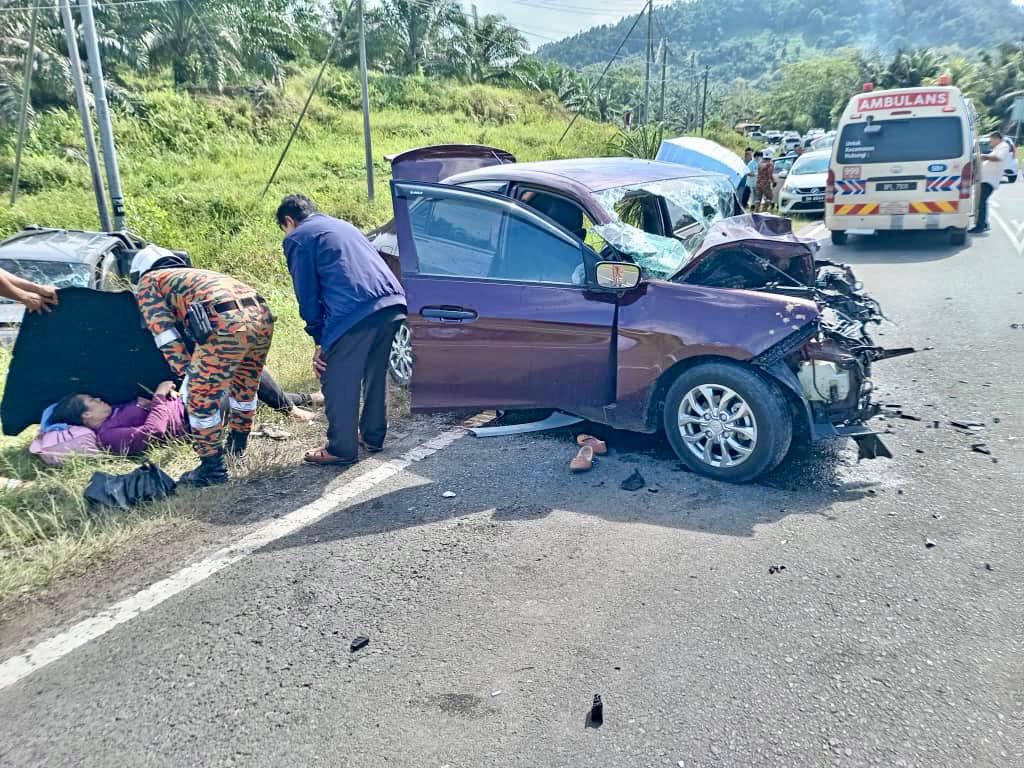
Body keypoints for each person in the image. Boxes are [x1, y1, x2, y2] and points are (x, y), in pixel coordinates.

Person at [277, 194, 407, 466]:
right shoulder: (344, 226)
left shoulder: (299, 238)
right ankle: (372, 437)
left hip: (354, 311)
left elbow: (307, 294)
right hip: (392, 303)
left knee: (336, 377)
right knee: (375, 373)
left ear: (288, 221)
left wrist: (319, 340)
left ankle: (340, 448)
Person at [131, 245, 274, 486]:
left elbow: (165, 334)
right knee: (245, 386)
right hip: (261, 314)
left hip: (228, 323)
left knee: (200, 400)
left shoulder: (149, 281)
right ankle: (237, 449)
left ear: (139, 272)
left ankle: (212, 469)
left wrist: (186, 373)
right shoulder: (193, 274)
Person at [50, 381, 186, 454]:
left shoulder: (112, 411)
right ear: (86, 414)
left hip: (182, 400)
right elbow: (153, 432)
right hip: (187, 417)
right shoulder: (107, 436)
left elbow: (147, 407)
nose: (98, 399)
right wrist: (160, 395)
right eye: (92, 400)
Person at [974, 130, 1010, 233]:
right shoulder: (998, 148)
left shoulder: (1004, 146)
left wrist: (983, 156)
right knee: (981, 202)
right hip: (986, 179)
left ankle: (981, 226)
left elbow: (998, 158)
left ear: (997, 139)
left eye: (991, 140)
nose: (990, 142)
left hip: (990, 180)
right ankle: (984, 224)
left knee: (982, 203)